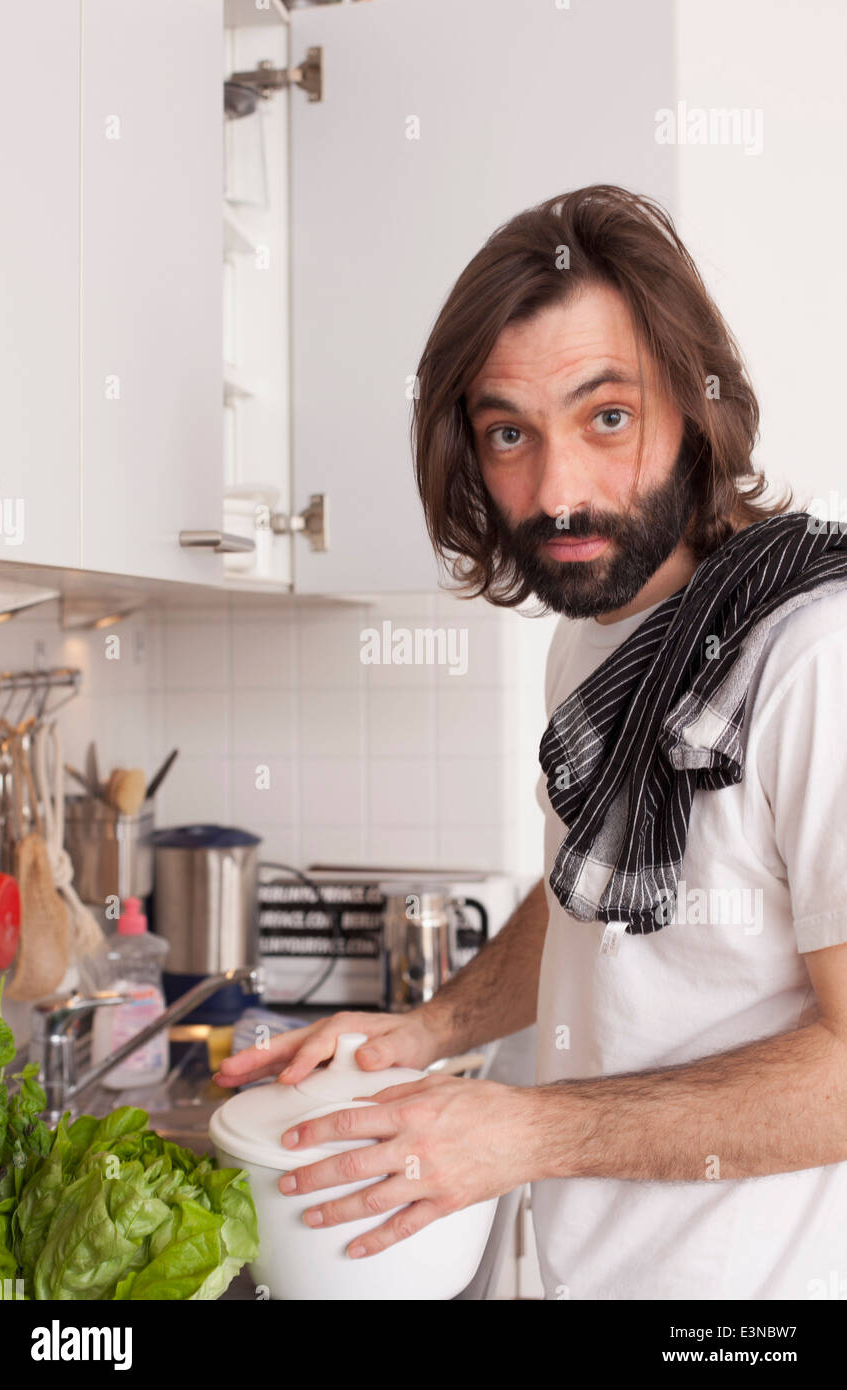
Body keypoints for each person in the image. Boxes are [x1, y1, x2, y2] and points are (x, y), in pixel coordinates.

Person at [216, 186, 847, 1301]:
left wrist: (523, 1133)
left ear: (696, 408)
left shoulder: (811, 661)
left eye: (606, 417)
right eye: (509, 432)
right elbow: (582, 897)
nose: (556, 492)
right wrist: (426, 1029)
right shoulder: (594, 641)